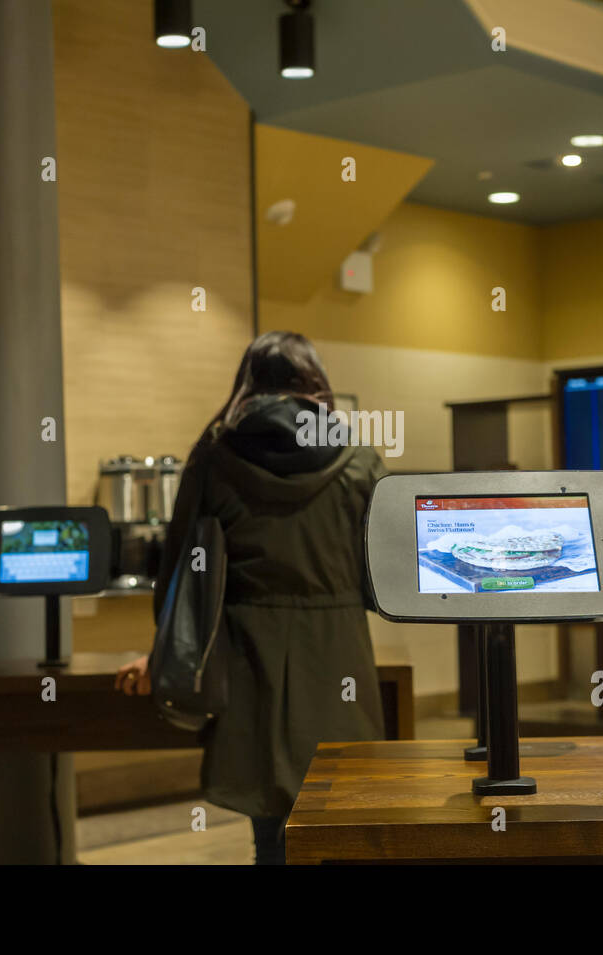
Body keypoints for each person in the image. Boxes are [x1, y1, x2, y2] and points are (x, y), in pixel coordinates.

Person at [116, 331, 386, 865]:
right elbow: (382, 576)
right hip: (338, 657)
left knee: (271, 829)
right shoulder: (359, 461)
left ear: (249, 382)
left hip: (247, 655)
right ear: (316, 383)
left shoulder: (216, 455)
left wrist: (164, 647)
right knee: (338, 822)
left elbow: (180, 569)